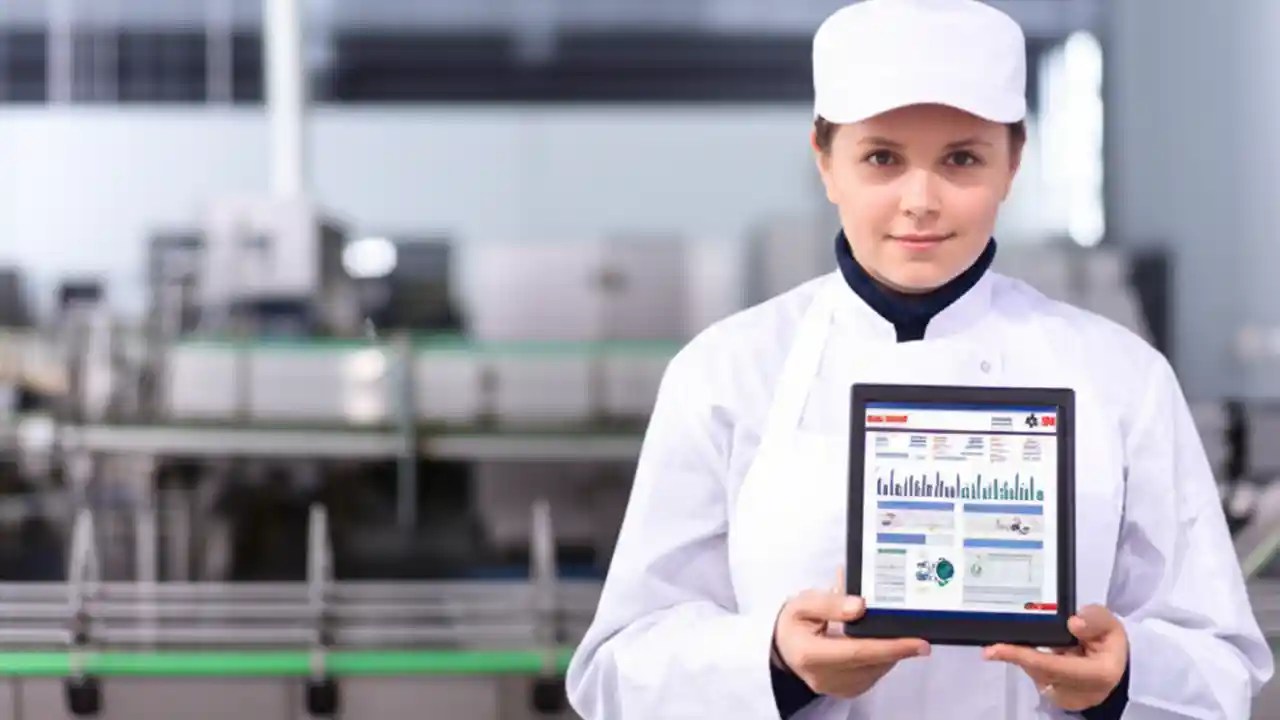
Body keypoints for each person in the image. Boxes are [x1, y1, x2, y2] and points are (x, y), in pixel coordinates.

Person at [565, 0, 1274, 718]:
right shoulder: (727, 373)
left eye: (961, 158)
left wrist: (1124, 677)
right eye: (882, 158)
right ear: (824, 160)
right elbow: (616, 674)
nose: (920, 201)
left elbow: (1222, 671)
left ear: (1013, 162)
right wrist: (775, 662)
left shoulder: (1124, 380)